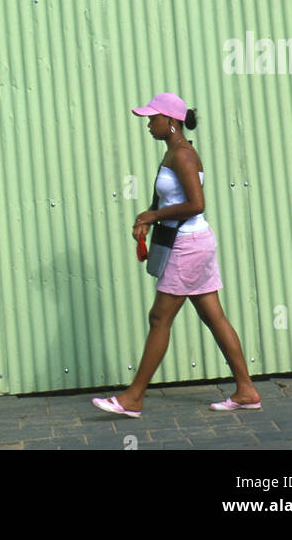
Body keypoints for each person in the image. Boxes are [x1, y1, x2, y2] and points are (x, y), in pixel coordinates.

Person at [93, 92, 261, 417]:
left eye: (152, 118)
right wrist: (147, 217)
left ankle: (133, 398)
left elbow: (197, 204)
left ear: (171, 121)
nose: (148, 124)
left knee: (159, 318)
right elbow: (169, 202)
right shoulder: (172, 152)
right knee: (213, 316)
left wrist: (154, 217)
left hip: (188, 245)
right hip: (192, 241)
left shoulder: (182, 154)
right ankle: (246, 390)